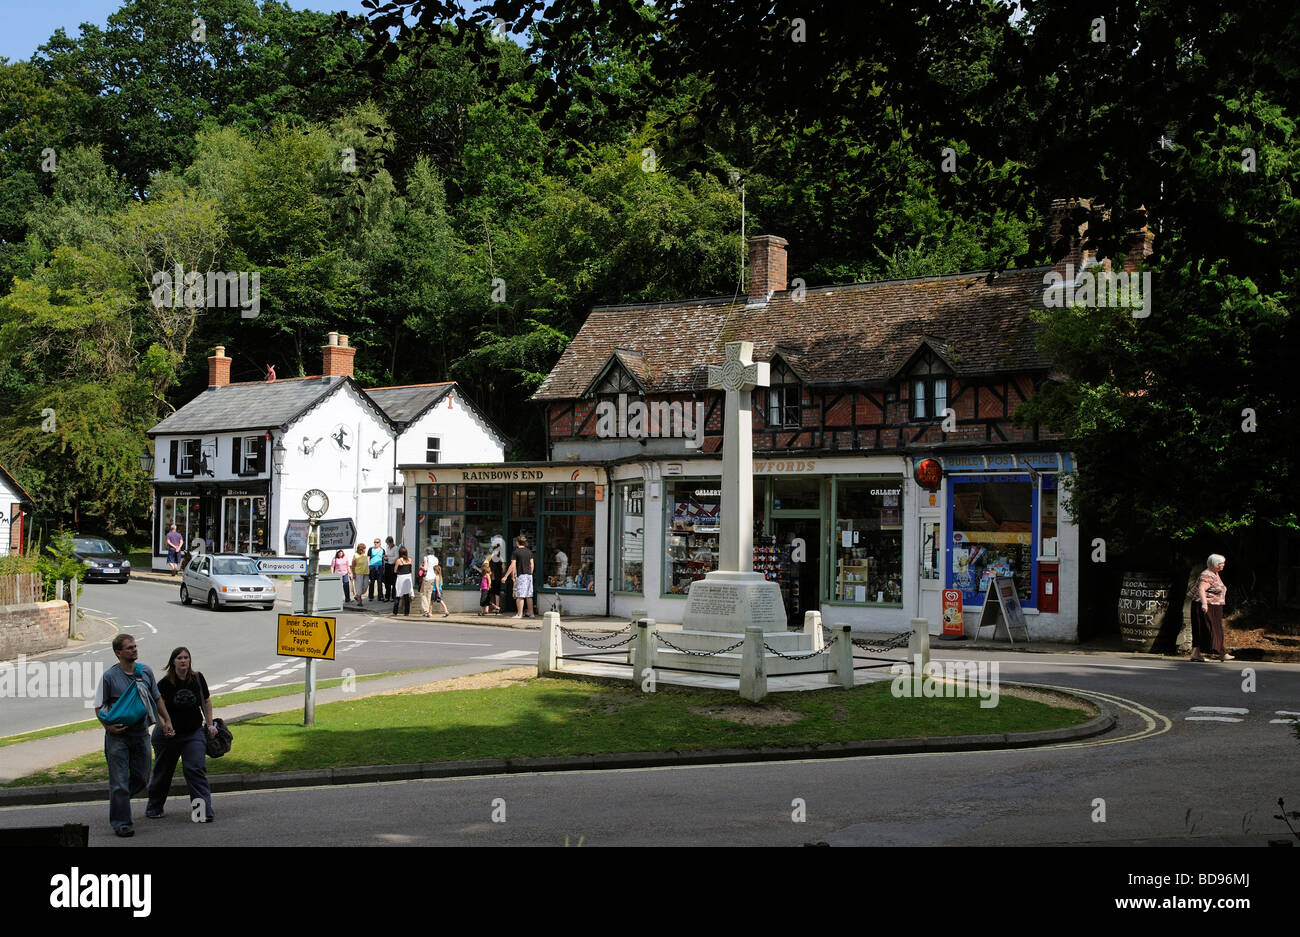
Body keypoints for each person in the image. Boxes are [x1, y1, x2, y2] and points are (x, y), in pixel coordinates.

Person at [95, 634, 173, 837]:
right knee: (119, 781)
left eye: (135, 646)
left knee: (141, 777)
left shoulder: (145, 672)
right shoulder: (109, 677)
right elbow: (99, 707)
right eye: (129, 648)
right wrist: (108, 727)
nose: (134, 650)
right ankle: (122, 823)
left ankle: (117, 800)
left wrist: (166, 721)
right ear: (118, 652)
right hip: (117, 736)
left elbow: (157, 699)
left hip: (140, 734)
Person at [145, 647, 216, 823]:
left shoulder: (197, 679)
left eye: (186, 657)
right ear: (173, 662)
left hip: (193, 733)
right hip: (168, 736)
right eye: (179, 658)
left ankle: (202, 812)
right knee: (163, 772)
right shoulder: (164, 684)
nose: (183, 661)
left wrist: (209, 724)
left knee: (195, 769)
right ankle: (154, 808)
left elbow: (206, 701)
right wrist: (163, 725)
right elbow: (156, 708)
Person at [1190, 553, 1233, 662]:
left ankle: (1196, 653)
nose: (1223, 565)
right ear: (1214, 564)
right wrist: (1204, 604)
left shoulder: (1215, 573)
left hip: (1214, 606)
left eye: (1223, 563)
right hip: (1207, 605)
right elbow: (1201, 589)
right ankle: (1221, 653)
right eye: (1221, 563)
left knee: (1204, 628)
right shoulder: (1207, 575)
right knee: (1213, 629)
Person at [504, 534, 535, 619]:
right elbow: (532, 564)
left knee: (520, 596)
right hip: (529, 575)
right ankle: (531, 613)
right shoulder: (529, 552)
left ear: (517, 542)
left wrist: (506, 576)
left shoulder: (516, 552)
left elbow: (512, 565)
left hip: (521, 575)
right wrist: (530, 573)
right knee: (529, 595)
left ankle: (519, 614)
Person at [419, 552, 447, 618]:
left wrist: (421, 567)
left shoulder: (426, 557)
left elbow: (425, 568)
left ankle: (427, 611)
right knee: (430, 596)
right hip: (433, 578)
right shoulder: (436, 559)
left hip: (427, 578)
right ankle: (429, 612)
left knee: (423, 594)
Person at [392, 546, 414, 616]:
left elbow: (395, 570)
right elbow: (410, 569)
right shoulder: (410, 559)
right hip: (408, 578)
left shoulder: (399, 560)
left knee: (398, 594)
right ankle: (407, 612)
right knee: (406, 595)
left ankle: (395, 611)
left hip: (400, 578)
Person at [383, 536, 399, 601]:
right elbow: (388, 555)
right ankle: (387, 596)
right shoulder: (388, 548)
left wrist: (388, 558)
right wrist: (385, 556)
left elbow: (396, 557)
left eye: (388, 543)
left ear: (391, 542)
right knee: (387, 582)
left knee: (393, 581)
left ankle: (393, 597)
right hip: (387, 565)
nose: (388, 545)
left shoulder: (396, 548)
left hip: (393, 566)